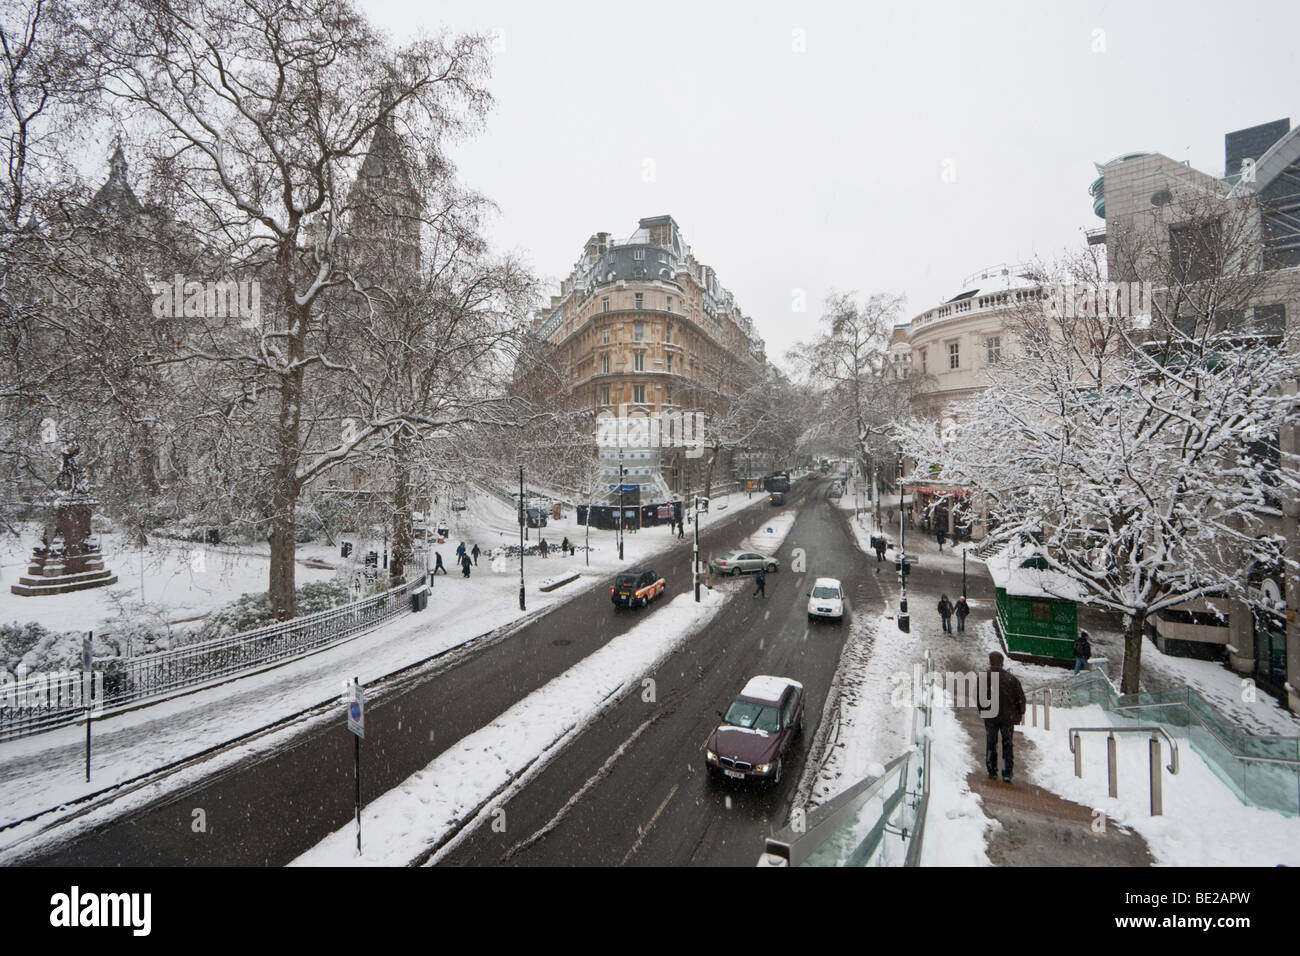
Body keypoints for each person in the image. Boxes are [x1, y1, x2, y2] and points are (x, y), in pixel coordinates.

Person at [979, 651, 1025, 783]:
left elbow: (978, 696)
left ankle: (992, 769)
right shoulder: (1011, 679)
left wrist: (983, 710)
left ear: (990, 662)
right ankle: (1007, 772)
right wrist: (1019, 713)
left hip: (990, 716)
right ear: (1002, 663)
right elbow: (1020, 698)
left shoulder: (984, 677)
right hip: (1007, 717)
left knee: (991, 743)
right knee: (1007, 744)